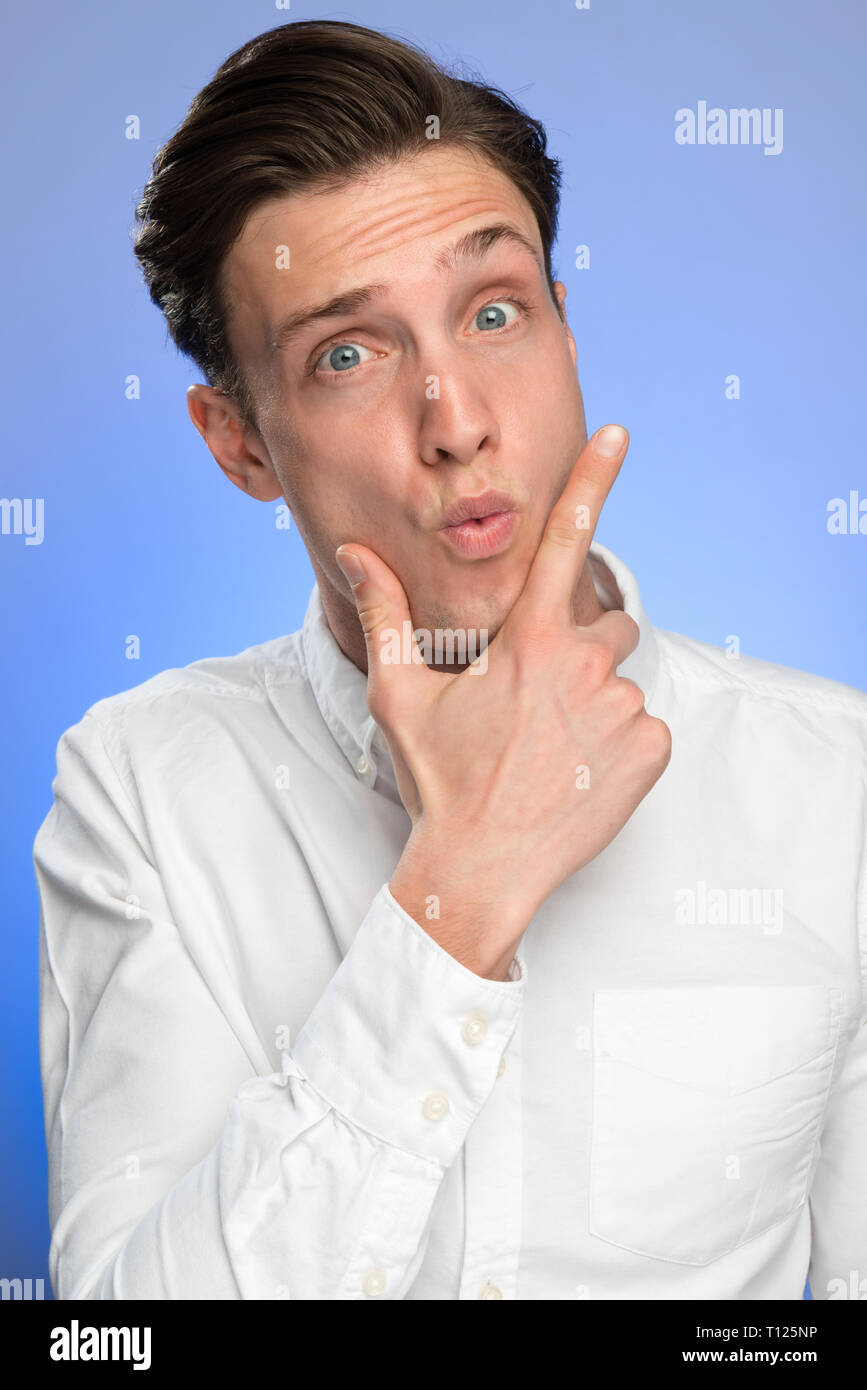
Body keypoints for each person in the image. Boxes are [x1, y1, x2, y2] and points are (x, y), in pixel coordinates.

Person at [34, 18, 866, 1301]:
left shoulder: (838, 783)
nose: (458, 421)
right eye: (348, 355)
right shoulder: (141, 787)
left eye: (492, 311)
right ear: (239, 441)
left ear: (565, 326)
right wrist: (458, 896)